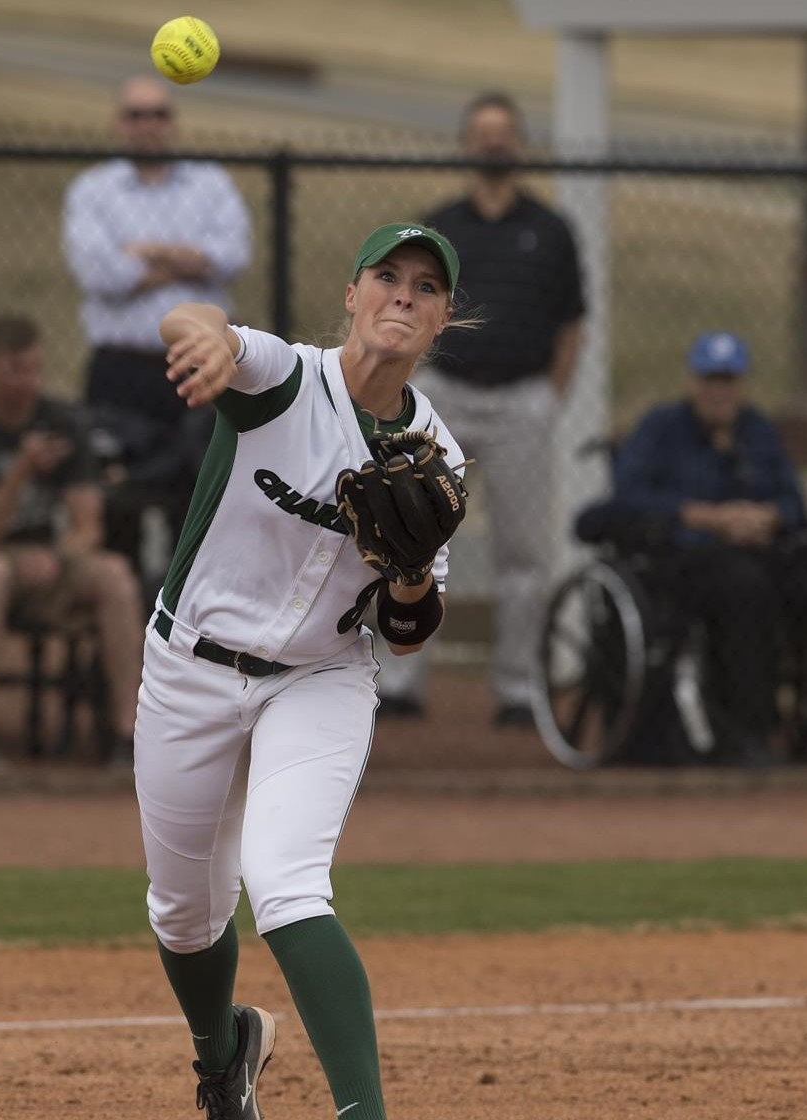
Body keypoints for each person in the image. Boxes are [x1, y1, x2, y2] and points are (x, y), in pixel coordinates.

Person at [139, 222, 469, 1120]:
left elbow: (407, 632)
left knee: (284, 880)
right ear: (352, 297)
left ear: (443, 321)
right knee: (182, 914)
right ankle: (224, 1055)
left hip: (320, 676)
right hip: (191, 664)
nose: (404, 294)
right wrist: (204, 335)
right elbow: (190, 317)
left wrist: (406, 572)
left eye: (426, 288)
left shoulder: (438, 457)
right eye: (388, 276)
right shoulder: (283, 379)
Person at [376, 90, 585, 726]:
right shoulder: (441, 230)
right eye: (483, 133)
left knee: (523, 554)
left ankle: (519, 689)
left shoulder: (550, 230)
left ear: (518, 144)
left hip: (522, 402)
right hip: (450, 400)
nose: (494, 143)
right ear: (468, 144)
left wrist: (551, 395)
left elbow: (573, 323)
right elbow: (406, 309)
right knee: (414, 538)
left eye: (505, 133)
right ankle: (401, 680)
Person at [0, 314, 143, 770]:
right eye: (15, 370)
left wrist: (62, 556)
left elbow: (88, 525)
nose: (27, 382)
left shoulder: (62, 423)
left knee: (115, 576)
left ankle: (129, 737)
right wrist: (21, 472)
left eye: (34, 369)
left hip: (46, 563)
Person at [61, 75, 250, 573]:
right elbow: (100, 273)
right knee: (116, 502)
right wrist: (188, 260)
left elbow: (232, 256)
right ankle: (118, 642)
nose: (148, 125)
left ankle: (185, 636)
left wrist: (145, 254)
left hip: (197, 368)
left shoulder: (211, 183)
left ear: (173, 122)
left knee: (195, 507)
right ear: (119, 123)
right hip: (120, 370)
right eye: (136, 115)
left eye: (159, 114)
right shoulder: (94, 189)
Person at [604, 330, 807, 761]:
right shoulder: (661, 428)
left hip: (758, 551)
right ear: (693, 382)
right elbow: (625, 498)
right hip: (683, 560)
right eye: (711, 380)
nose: (720, 391)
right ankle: (748, 730)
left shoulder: (758, 431)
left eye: (729, 381)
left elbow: (794, 501)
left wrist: (764, 517)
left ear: (743, 384)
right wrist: (706, 518)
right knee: (744, 586)